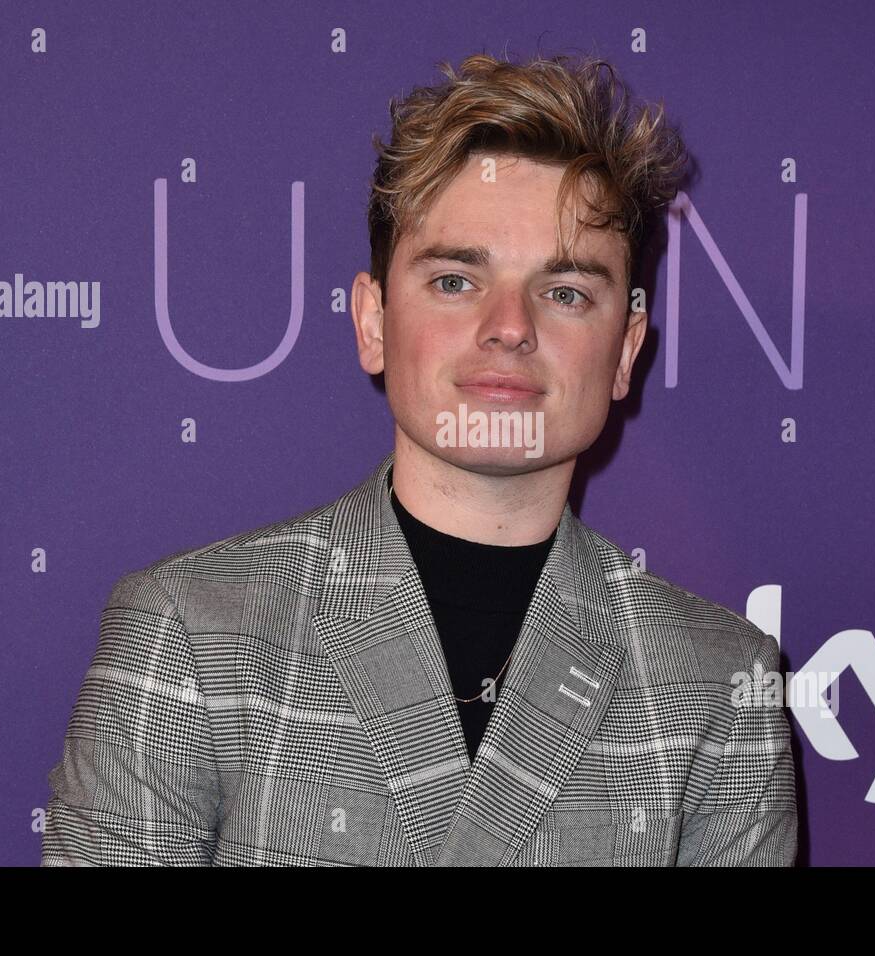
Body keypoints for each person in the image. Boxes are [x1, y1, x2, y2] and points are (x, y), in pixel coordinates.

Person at [42, 51, 797, 867]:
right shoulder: (192, 632)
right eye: (455, 281)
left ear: (625, 353)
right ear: (372, 322)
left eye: (566, 291)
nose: (510, 326)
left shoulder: (719, 683)